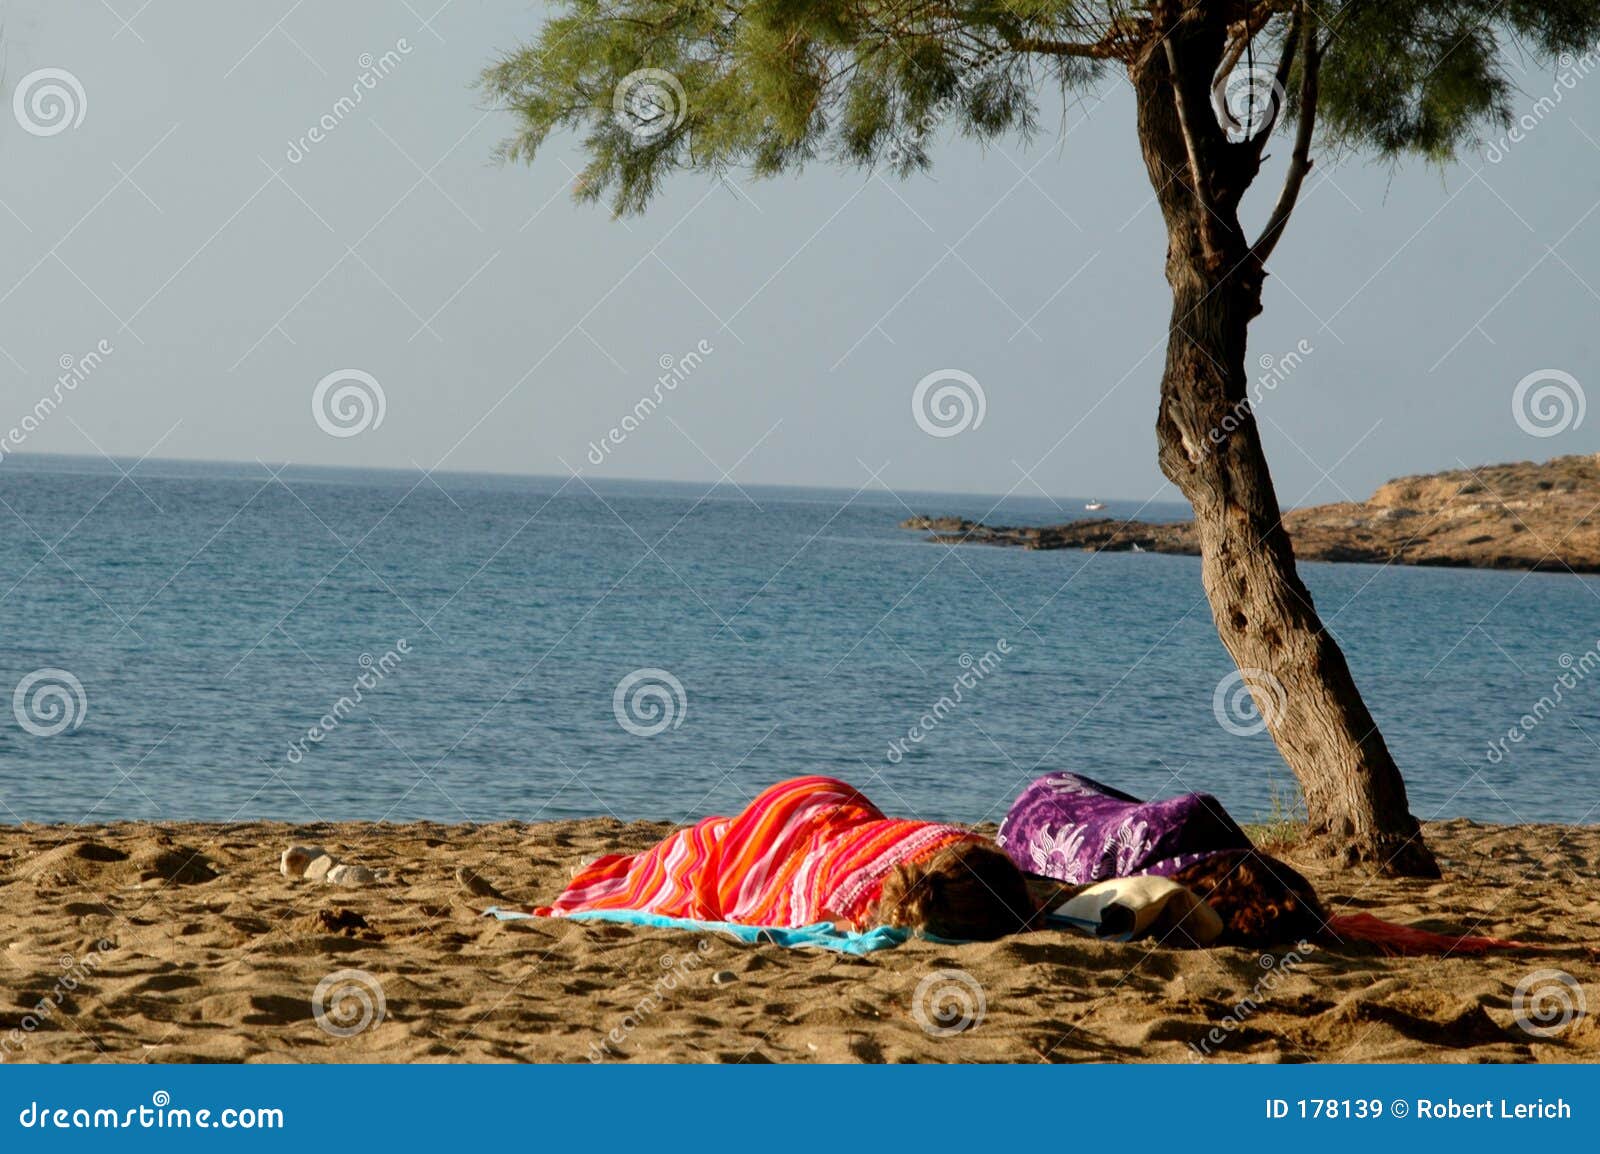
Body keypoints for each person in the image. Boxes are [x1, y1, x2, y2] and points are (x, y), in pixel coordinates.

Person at [538, 775, 1033, 940]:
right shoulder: (850, 909)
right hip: (802, 824)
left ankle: (604, 865)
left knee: (704, 848)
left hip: (828, 800)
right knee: (699, 865)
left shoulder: (960, 848)